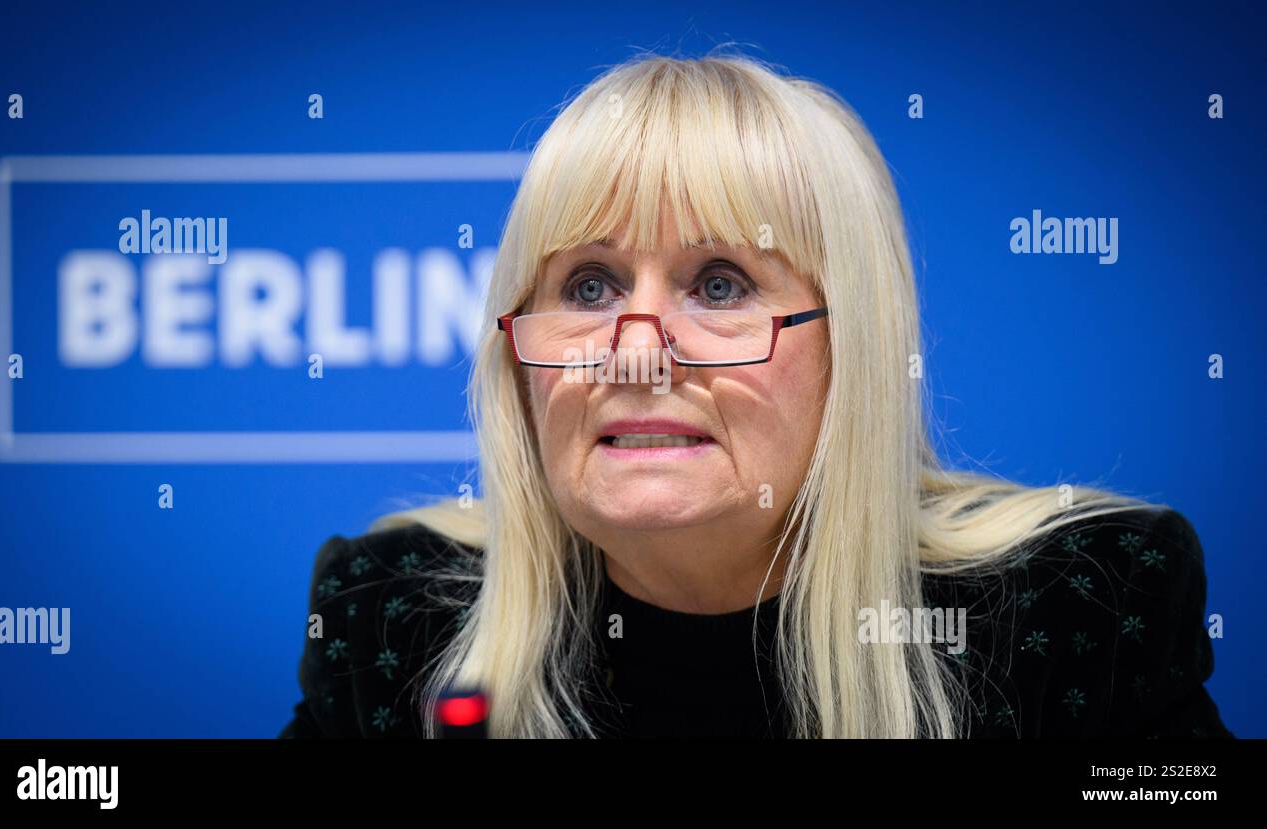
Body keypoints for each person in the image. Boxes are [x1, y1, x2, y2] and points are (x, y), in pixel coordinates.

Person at [280, 53, 1232, 739]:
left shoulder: (1079, 621)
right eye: (589, 287)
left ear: (851, 347)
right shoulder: (393, 626)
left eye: (721, 286)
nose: (637, 356)